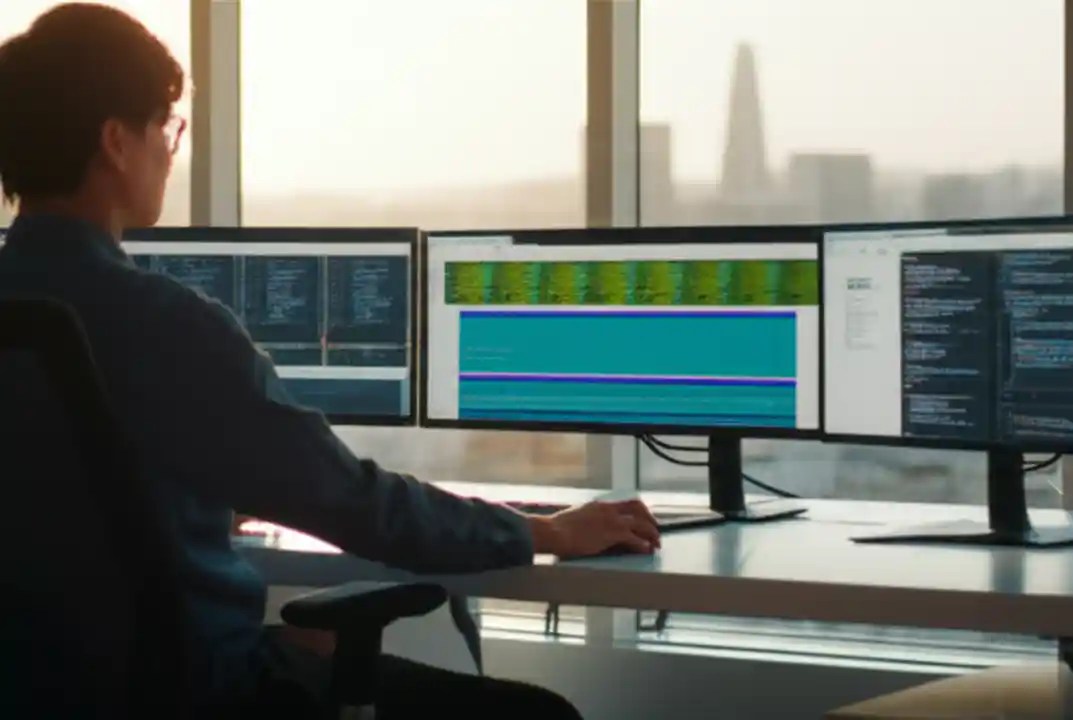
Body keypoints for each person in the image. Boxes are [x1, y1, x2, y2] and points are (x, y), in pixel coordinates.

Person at [0, 4, 660, 717]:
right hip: (198, 687)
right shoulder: (169, 327)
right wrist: (545, 530)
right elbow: (357, 504)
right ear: (115, 143)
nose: (171, 148)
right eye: (165, 126)